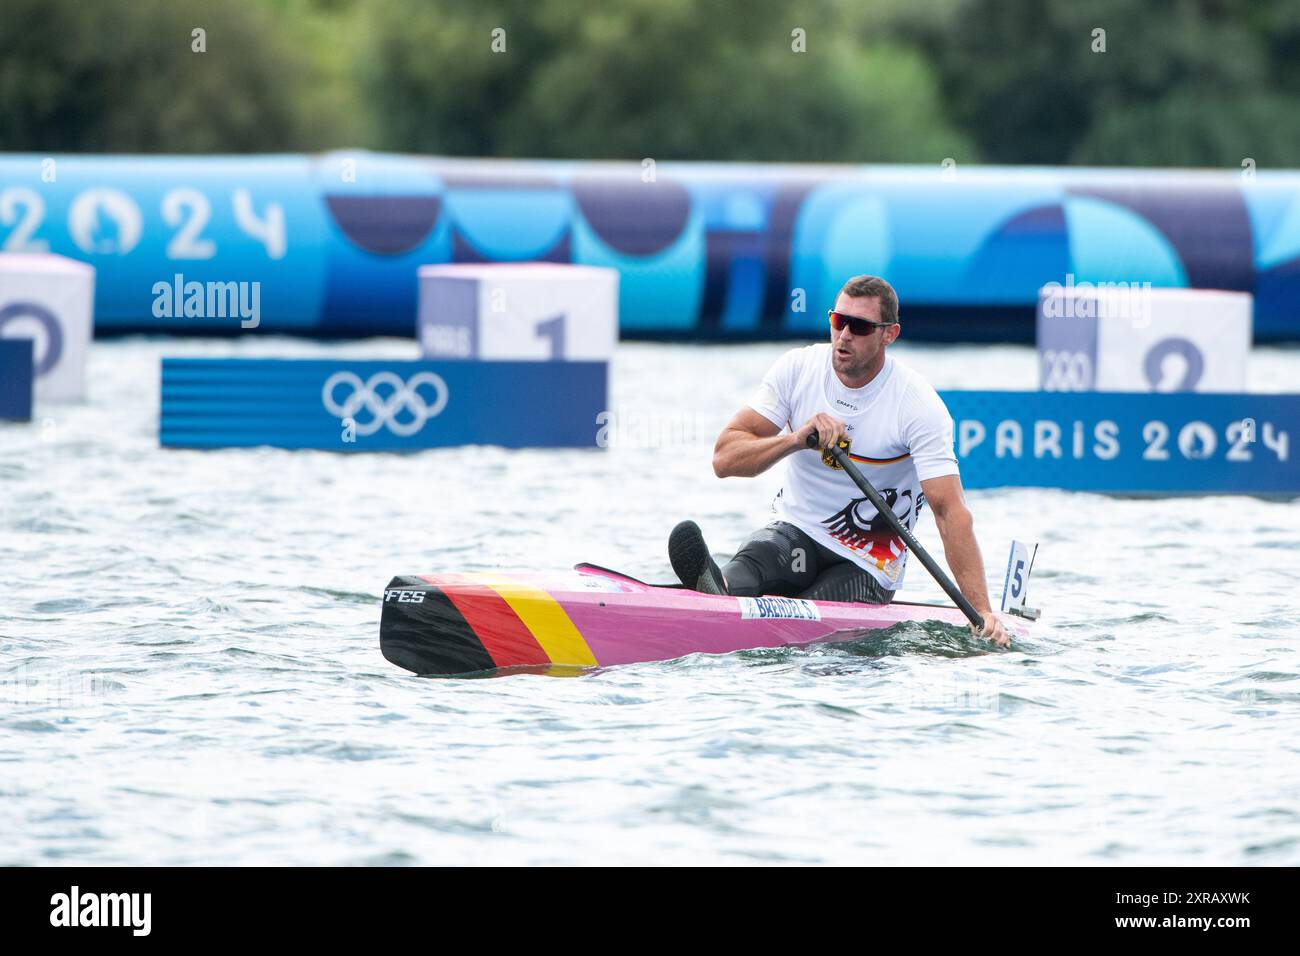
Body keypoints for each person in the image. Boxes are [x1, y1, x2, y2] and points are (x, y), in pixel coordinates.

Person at [668, 274, 1010, 647]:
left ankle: (746, 616)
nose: (844, 335)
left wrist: (983, 614)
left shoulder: (917, 405)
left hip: (868, 564)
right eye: (838, 321)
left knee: (812, 635)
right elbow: (724, 458)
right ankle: (719, 592)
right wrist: (796, 440)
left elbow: (950, 512)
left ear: (889, 334)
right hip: (797, 532)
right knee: (757, 561)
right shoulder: (798, 369)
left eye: (859, 326)